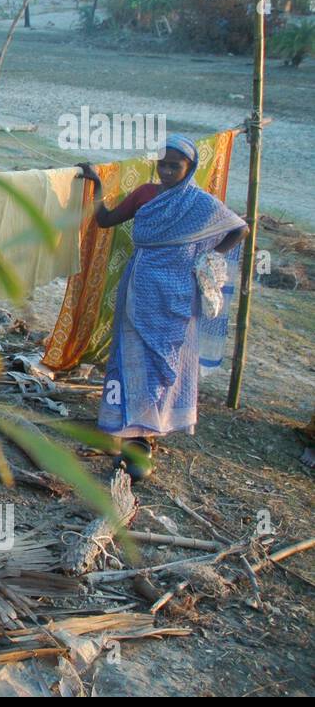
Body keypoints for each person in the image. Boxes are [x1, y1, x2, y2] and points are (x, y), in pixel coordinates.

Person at [77, 133, 248, 480]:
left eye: (175, 165)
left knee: (167, 360)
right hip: (139, 289)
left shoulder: (199, 203)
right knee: (130, 356)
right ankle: (131, 432)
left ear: (190, 167)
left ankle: (148, 432)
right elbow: (106, 220)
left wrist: (209, 255)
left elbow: (239, 230)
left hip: (178, 294)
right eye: (163, 164)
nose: (168, 171)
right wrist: (96, 186)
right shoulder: (145, 194)